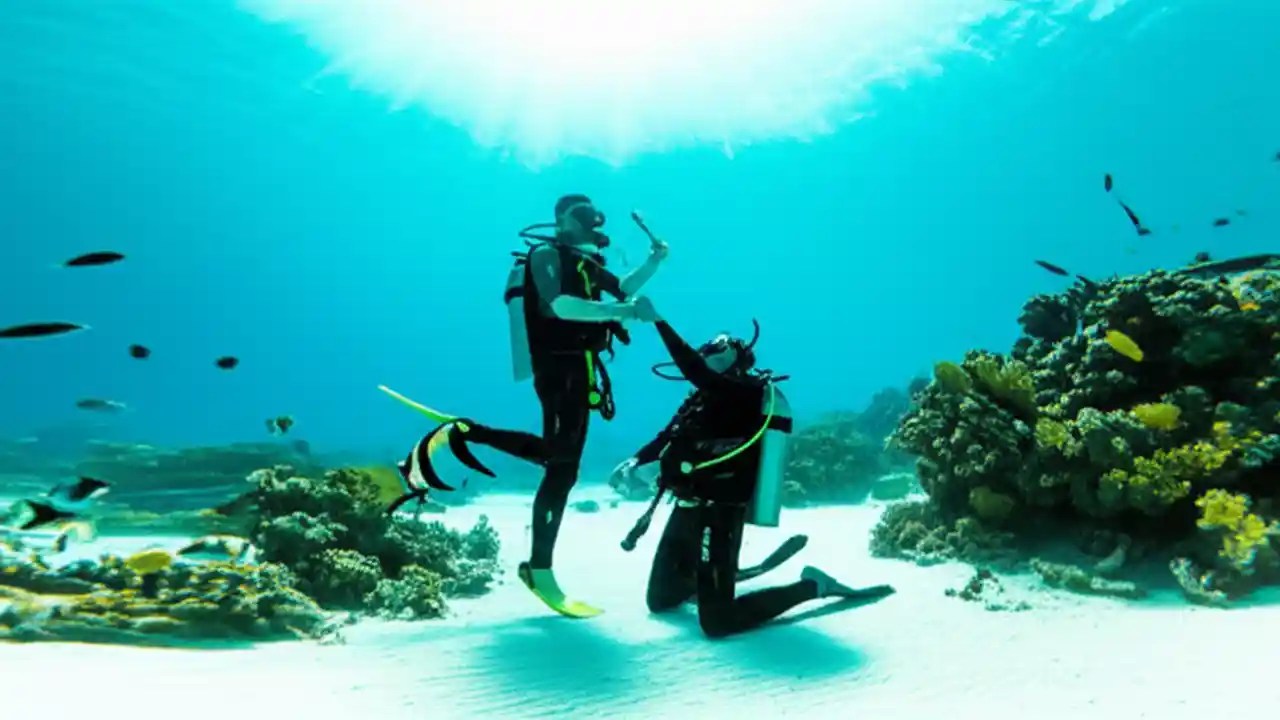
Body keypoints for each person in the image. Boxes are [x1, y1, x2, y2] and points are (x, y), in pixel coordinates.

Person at [612, 299, 895, 638]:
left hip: (720, 509)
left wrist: (659, 321)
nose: (705, 350)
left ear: (734, 355)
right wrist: (635, 461)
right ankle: (713, 575)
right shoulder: (701, 398)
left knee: (717, 623)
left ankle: (811, 586)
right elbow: (669, 436)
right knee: (661, 600)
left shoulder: (745, 391)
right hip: (688, 501)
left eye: (714, 346)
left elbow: (695, 370)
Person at [502, 194, 669, 613]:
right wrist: (627, 311)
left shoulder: (587, 264)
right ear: (562, 219)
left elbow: (622, 287)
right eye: (583, 213)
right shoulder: (544, 254)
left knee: (565, 468)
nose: (594, 219)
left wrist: (655, 262)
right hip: (556, 370)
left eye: (595, 212)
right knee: (559, 466)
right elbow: (559, 305)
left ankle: (539, 568)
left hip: (582, 371)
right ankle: (539, 568)